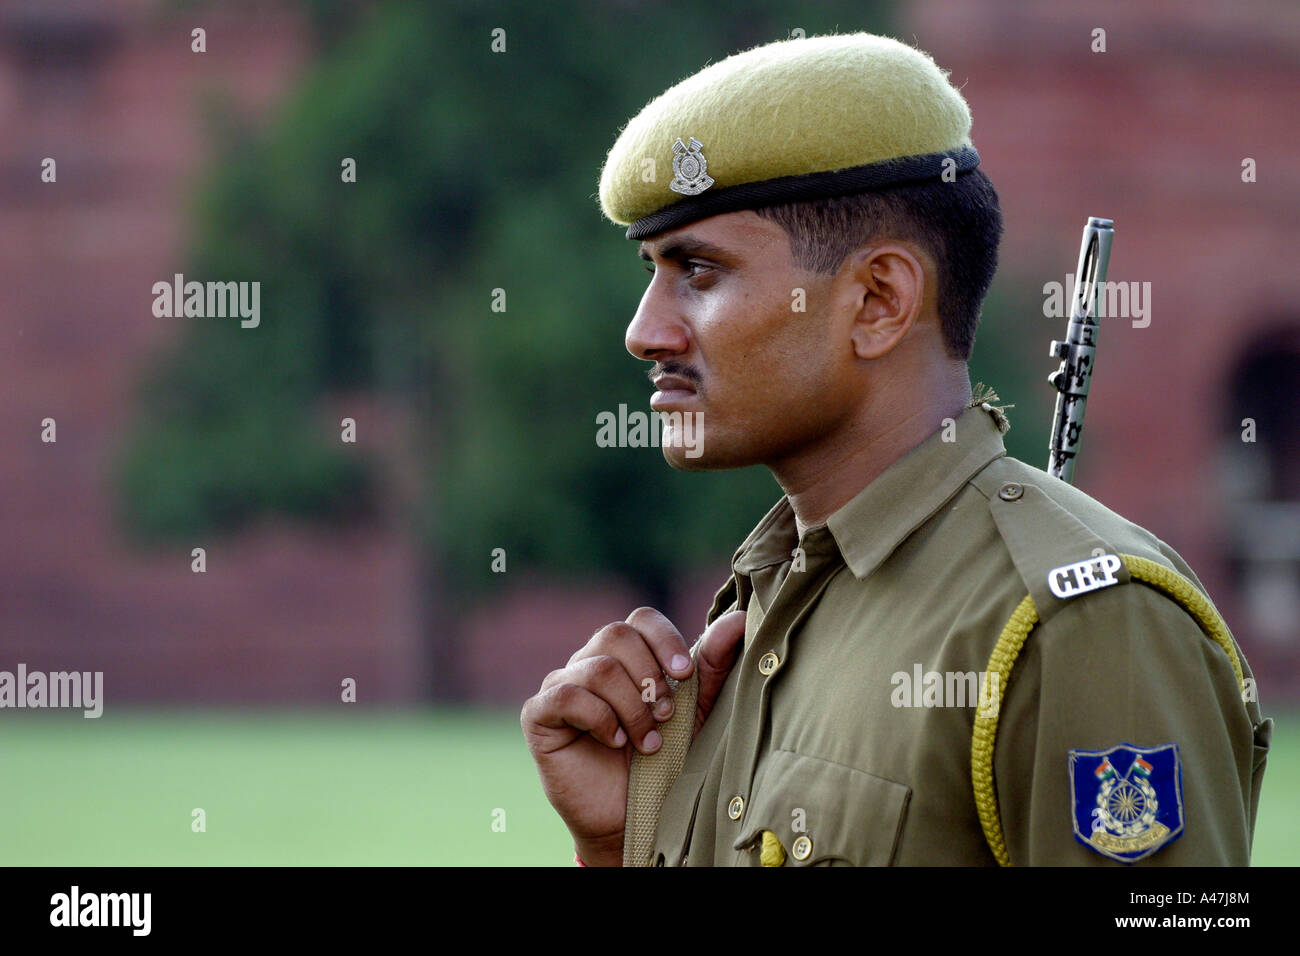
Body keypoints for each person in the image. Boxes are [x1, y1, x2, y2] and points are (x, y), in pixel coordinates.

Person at [520, 32, 1271, 866]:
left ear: (879, 300)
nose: (644, 331)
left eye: (698, 272)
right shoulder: (769, 603)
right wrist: (618, 844)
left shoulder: (1082, 628)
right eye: (652, 272)